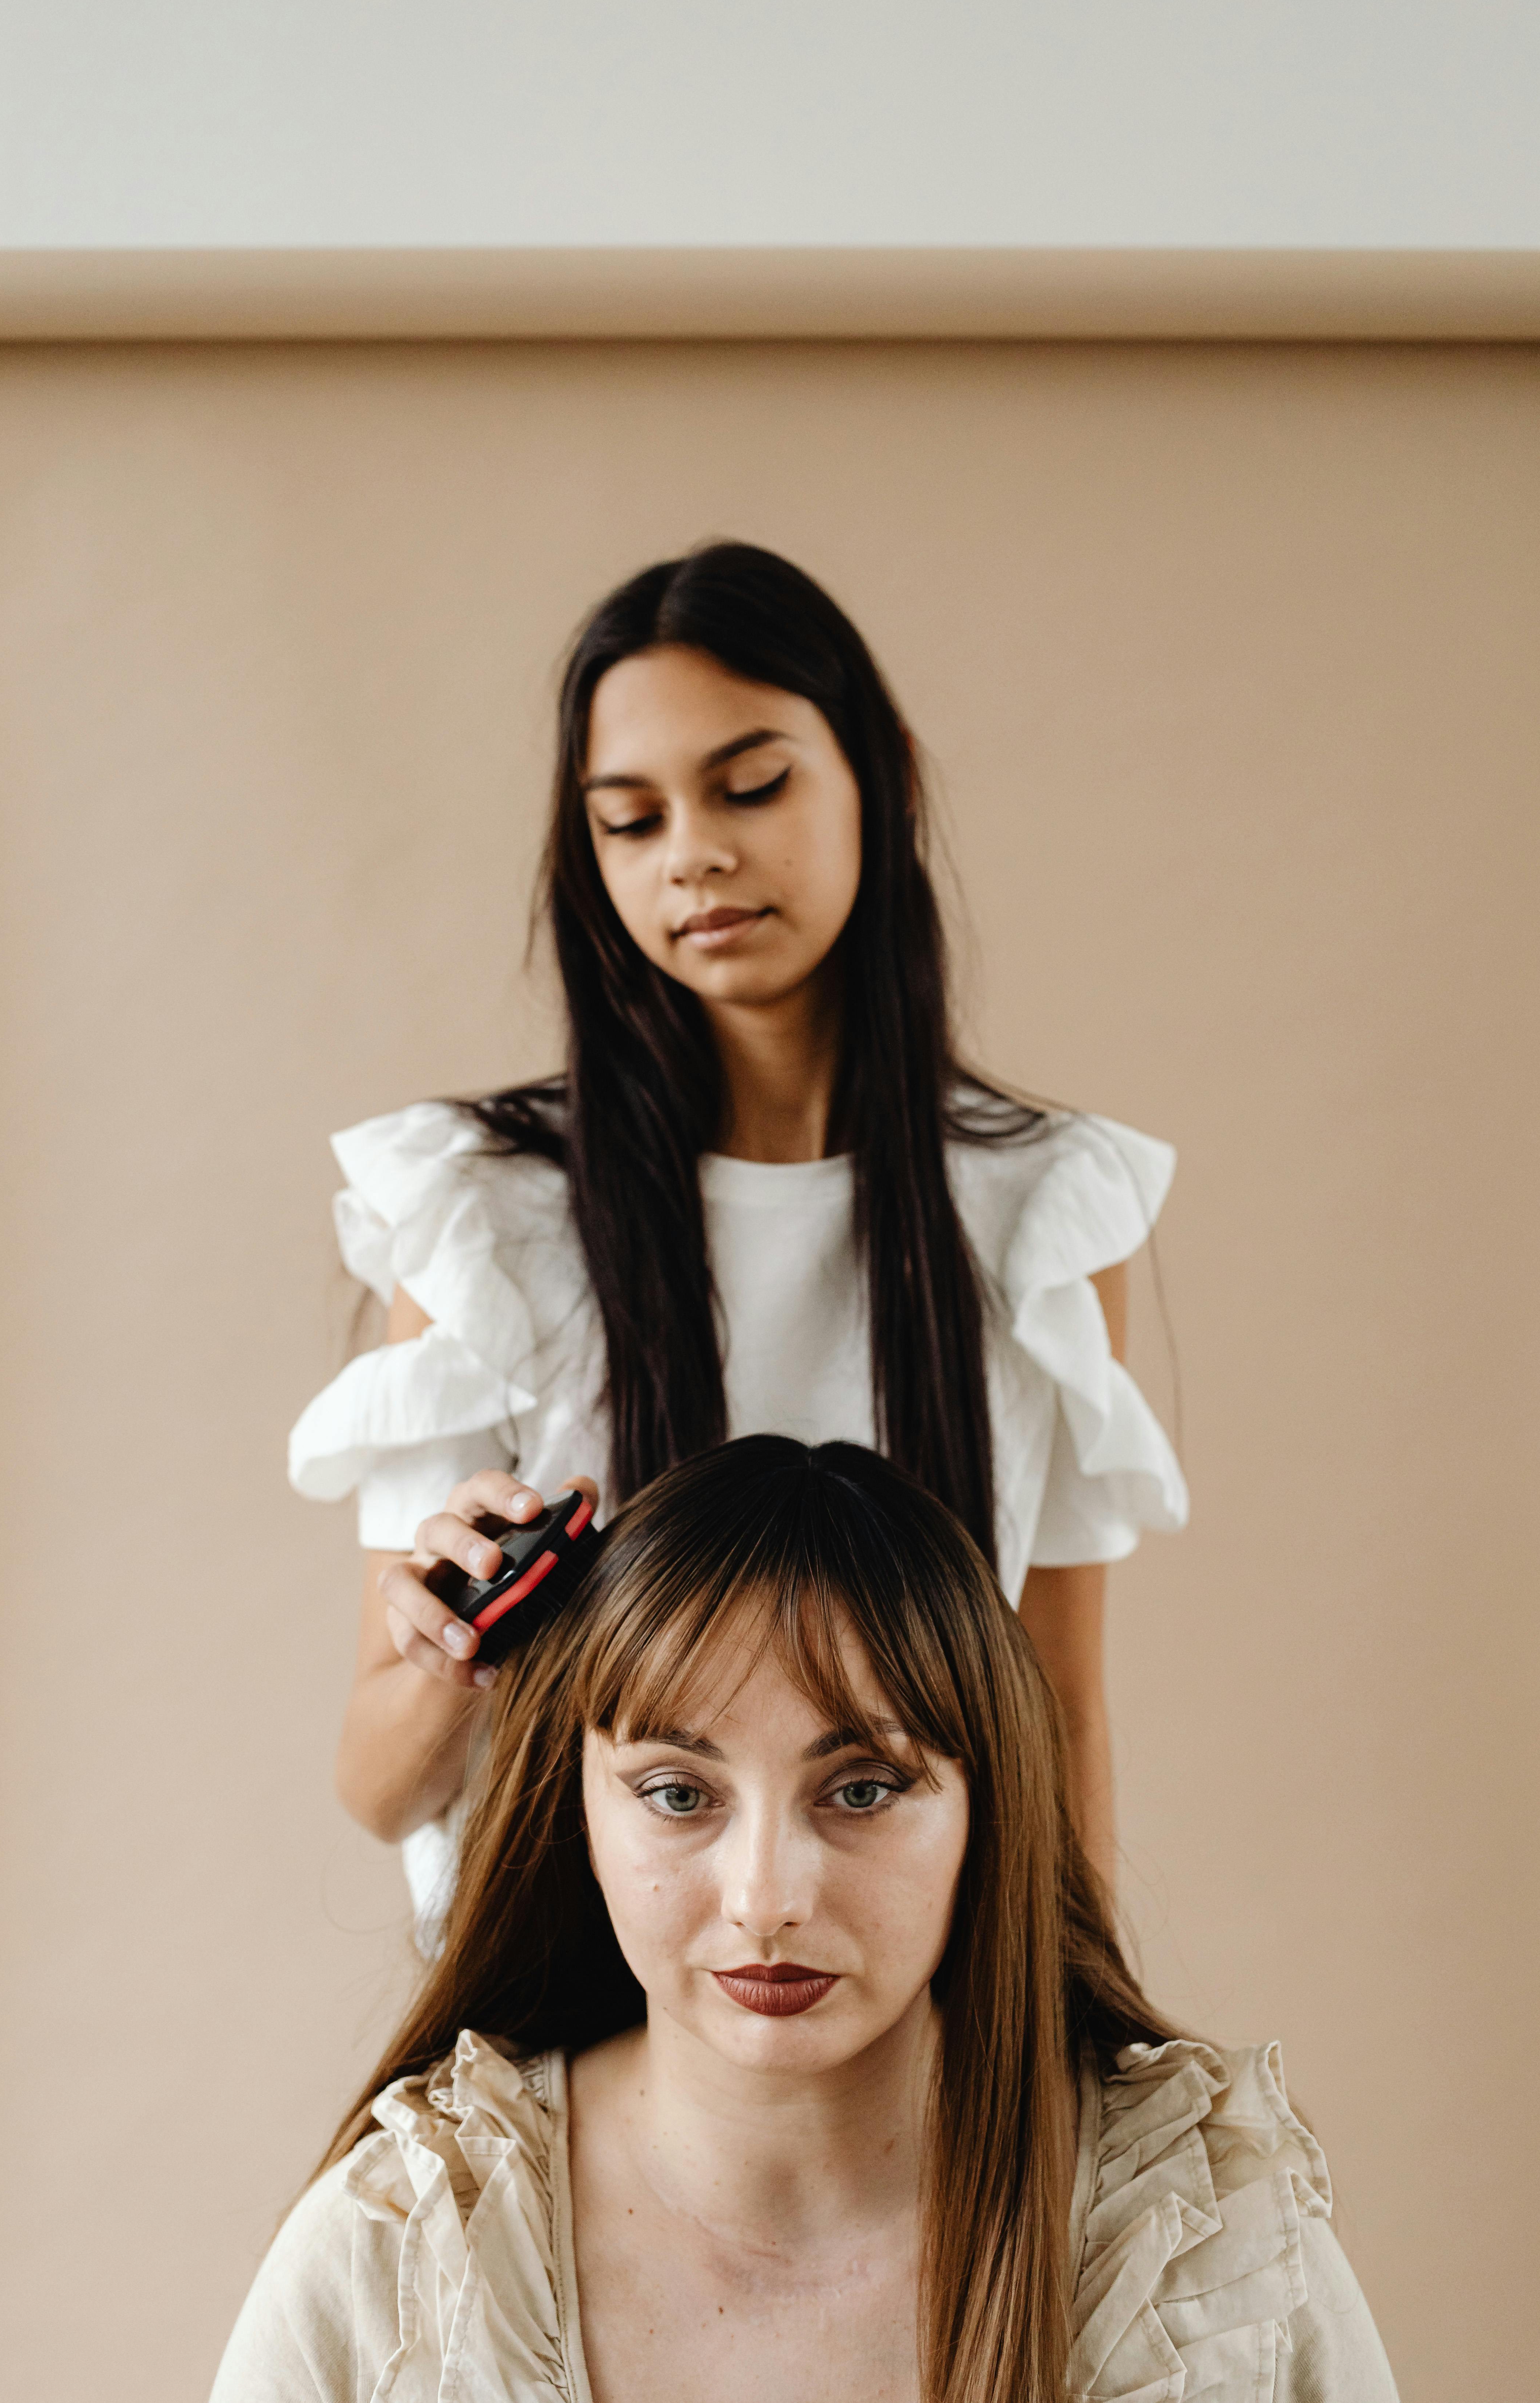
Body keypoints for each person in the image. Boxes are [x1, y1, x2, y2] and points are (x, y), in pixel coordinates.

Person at [288, 542, 1188, 1928]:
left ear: (874, 770)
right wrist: (455, 1647)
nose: (695, 855)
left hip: (904, 2008)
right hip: (573, 2011)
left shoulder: (1038, 1212)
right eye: (627, 821)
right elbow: (378, 1789)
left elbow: (1055, 1719)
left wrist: (1085, 2070)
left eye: (750, 786)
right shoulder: (486, 1210)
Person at [215, 1438, 1396, 2403]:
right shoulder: (400, 2256)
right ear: (573, 1808)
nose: (767, 1899)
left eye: (863, 1791)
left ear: (988, 1803)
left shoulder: (1210, 2253)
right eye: (679, 1795)